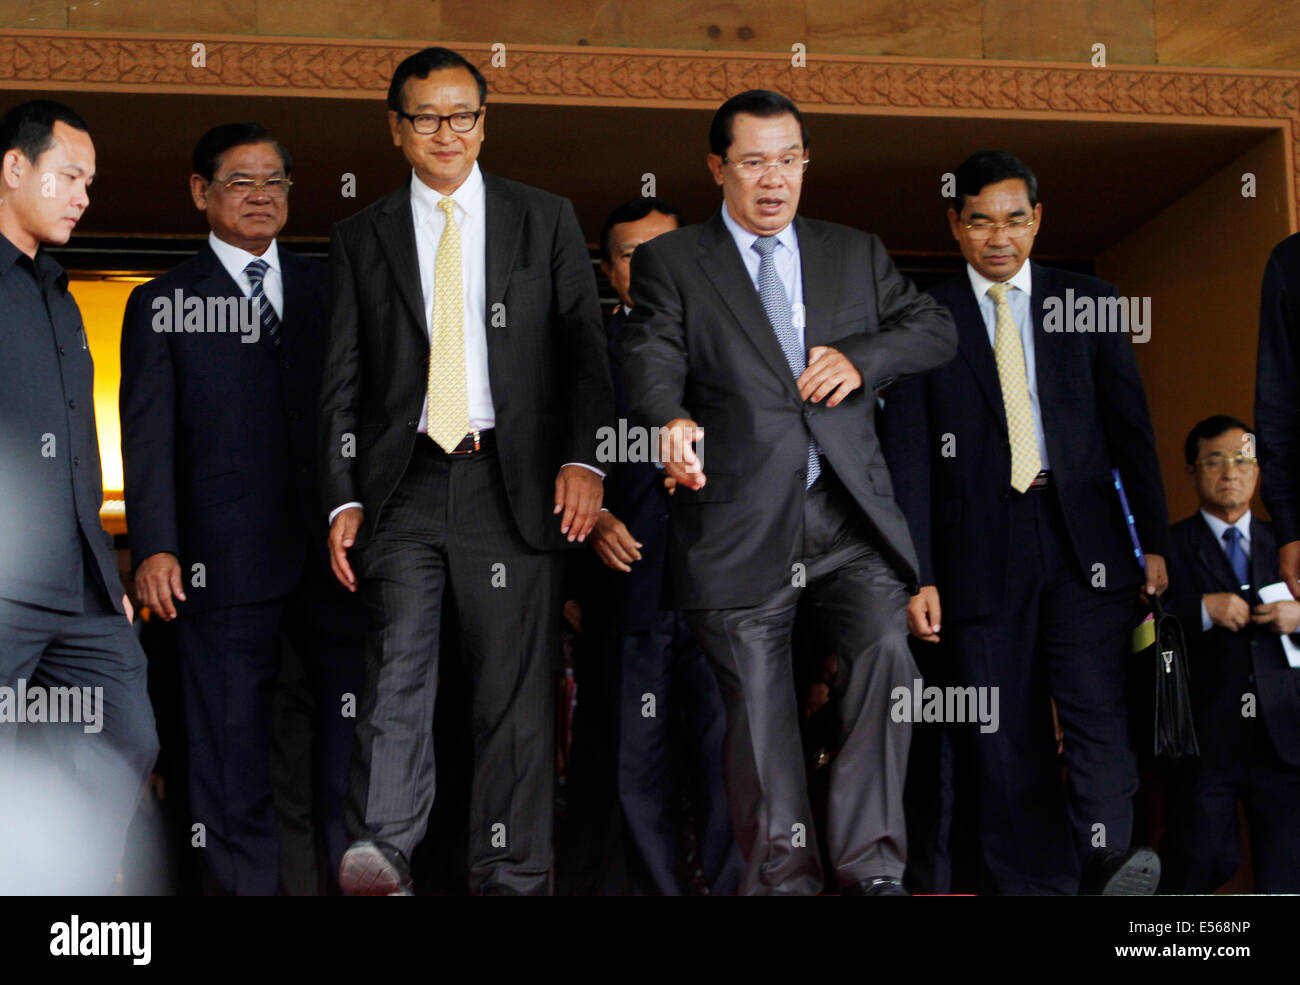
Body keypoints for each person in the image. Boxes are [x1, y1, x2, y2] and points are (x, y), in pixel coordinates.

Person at [621, 89, 957, 896]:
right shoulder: (675, 261)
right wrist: (667, 418)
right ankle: (784, 878)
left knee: (886, 654)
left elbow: (935, 328)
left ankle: (872, 867)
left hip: (845, 518)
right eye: (754, 163)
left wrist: (863, 357)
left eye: (789, 160)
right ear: (718, 168)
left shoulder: (854, 251)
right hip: (736, 523)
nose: (774, 180)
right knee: (761, 714)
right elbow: (650, 352)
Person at [319, 46, 614, 896]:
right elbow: (340, 380)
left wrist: (583, 456)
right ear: (396, 131)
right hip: (402, 482)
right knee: (396, 666)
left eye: (463, 115)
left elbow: (584, 355)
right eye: (427, 117)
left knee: (513, 693)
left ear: (484, 122)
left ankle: (510, 871)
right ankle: (383, 851)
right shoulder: (360, 234)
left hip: (511, 483)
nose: (446, 132)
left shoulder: (543, 217)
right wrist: (340, 493)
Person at [881, 150, 1169, 895]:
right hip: (976, 552)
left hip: (1086, 544)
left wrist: (1158, 543)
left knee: (1097, 712)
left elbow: (1131, 432)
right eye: (981, 221)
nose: (999, 237)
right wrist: (920, 573)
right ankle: (1032, 886)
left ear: (1037, 220)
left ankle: (1108, 866)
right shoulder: (923, 317)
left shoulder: (1090, 300)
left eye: (1015, 219)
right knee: (1002, 735)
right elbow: (908, 456)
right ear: (956, 225)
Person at [119, 123, 365, 895]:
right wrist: (156, 544)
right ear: (201, 192)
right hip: (217, 564)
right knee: (230, 757)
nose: (260, 197)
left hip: (333, 563)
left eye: (275, 183)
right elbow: (148, 433)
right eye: (240, 181)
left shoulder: (332, 286)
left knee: (340, 749)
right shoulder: (162, 301)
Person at [0, 99, 158, 893]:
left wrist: (105, 574)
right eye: (69, 176)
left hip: (80, 588)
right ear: (14, 168)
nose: (83, 196)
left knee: (127, 732)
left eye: (90, 183)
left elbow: (79, 452)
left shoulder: (61, 295)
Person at [577, 196, 741, 894]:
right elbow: (548, 458)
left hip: (722, 583)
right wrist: (595, 517)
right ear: (608, 268)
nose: (647, 270)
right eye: (630, 256)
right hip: (629, 578)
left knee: (728, 758)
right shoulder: (580, 353)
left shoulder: (731, 340)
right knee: (632, 762)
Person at [1160, 415, 1300, 892]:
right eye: (1215, 462)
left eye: (1243, 461)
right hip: (1203, 739)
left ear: (1259, 471)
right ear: (1192, 471)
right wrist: (1198, 610)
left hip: (1283, 738)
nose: (1231, 473)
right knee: (1200, 862)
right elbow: (1133, 637)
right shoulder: (1167, 549)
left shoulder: (1286, 548)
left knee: (1286, 874)